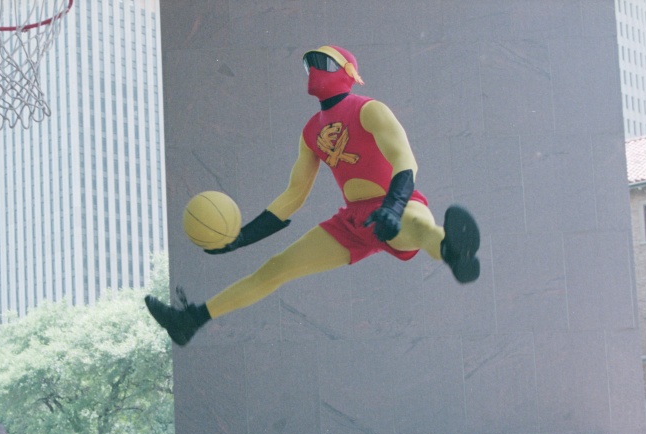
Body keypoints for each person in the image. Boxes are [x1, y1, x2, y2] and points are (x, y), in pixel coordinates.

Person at [145, 45, 481, 346]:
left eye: (323, 61)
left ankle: (452, 251)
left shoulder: (370, 109)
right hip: (353, 220)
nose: (314, 68)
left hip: (398, 202)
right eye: (309, 64)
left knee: (419, 228)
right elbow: (293, 195)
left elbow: (404, 159)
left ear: (349, 72)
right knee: (275, 269)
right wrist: (240, 239)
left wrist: (393, 206)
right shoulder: (310, 132)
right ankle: (190, 321)